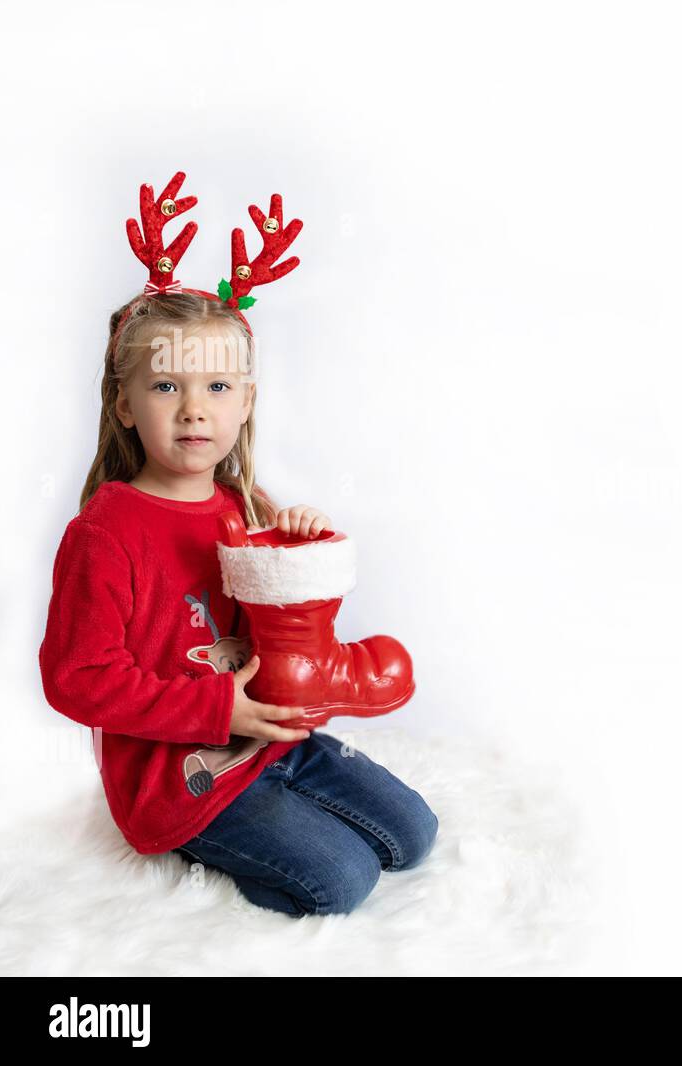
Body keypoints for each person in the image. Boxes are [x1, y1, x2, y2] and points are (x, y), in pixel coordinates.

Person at [38, 208, 437, 916]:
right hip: (180, 778)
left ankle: (283, 802)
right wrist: (219, 706)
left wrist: (298, 542)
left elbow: (278, 622)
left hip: (273, 742)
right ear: (124, 403)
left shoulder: (239, 504)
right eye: (167, 387)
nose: (194, 410)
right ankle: (197, 843)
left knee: (414, 833)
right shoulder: (104, 531)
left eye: (217, 387)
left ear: (245, 401)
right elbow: (78, 679)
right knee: (343, 881)